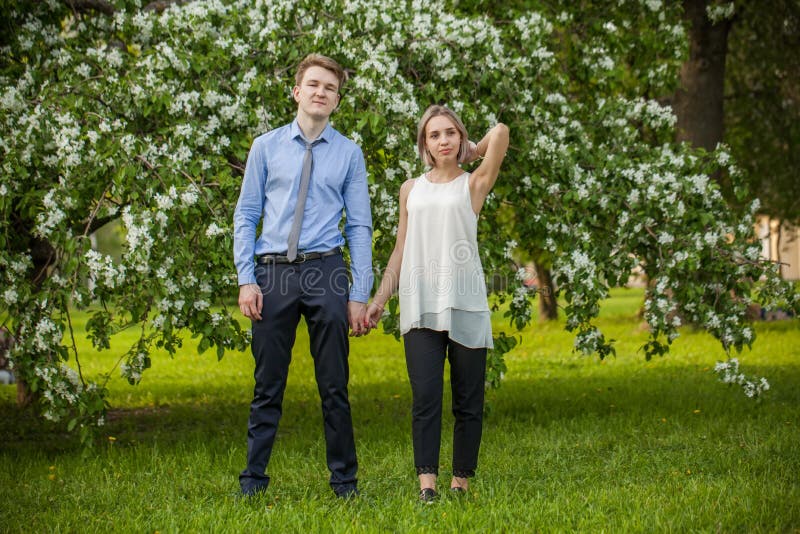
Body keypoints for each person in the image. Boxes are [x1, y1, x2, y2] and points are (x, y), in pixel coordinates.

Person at [234, 53, 372, 499]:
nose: (320, 92)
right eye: (313, 84)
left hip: (326, 270)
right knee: (267, 383)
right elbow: (247, 214)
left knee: (334, 383)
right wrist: (245, 278)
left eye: (329, 88)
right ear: (297, 92)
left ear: (336, 99)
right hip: (271, 272)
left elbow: (358, 226)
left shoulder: (350, 153)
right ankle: (253, 481)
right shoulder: (265, 147)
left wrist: (359, 293)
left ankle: (345, 483)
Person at [365, 105, 509, 502]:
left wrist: (473, 148)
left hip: (464, 303)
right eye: (434, 135)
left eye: (450, 133)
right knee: (425, 398)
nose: (443, 140)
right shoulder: (411, 189)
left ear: (460, 138)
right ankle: (426, 484)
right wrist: (380, 300)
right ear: (424, 144)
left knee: (468, 400)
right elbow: (400, 249)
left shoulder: (474, 183)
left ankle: (460, 481)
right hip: (420, 304)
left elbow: (500, 131)